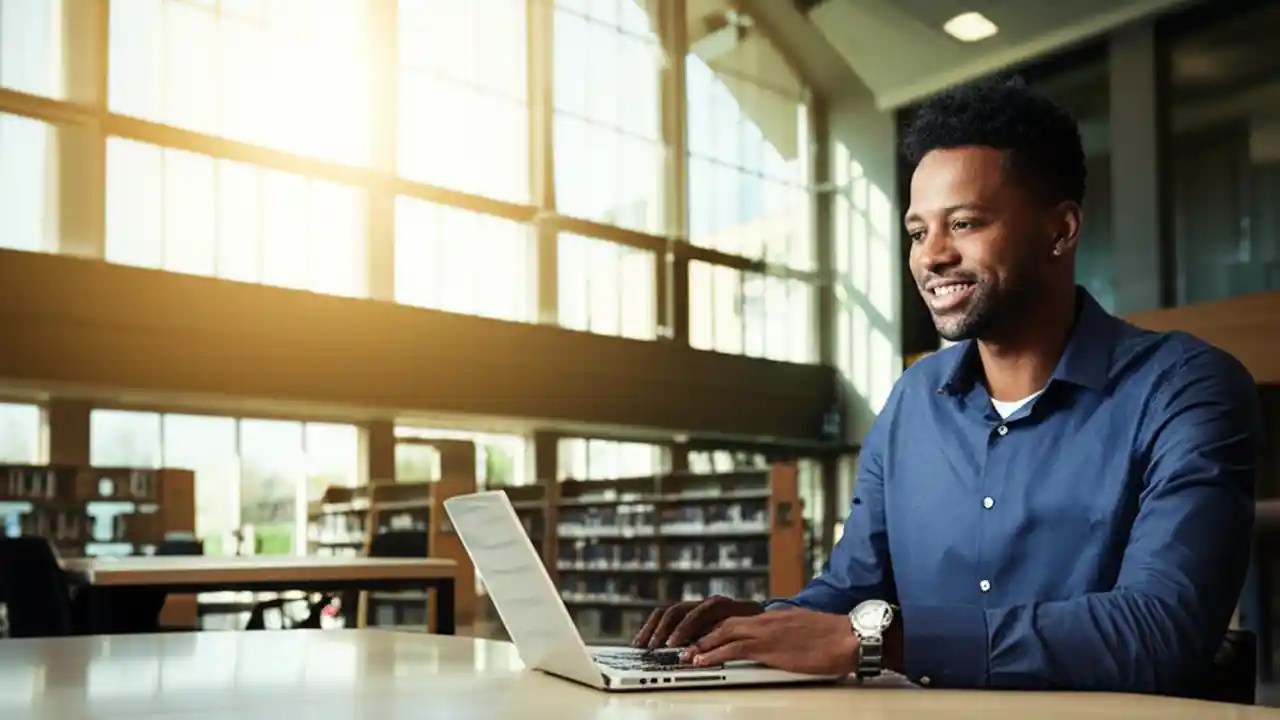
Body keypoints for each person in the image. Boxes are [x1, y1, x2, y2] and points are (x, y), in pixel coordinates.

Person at [632, 77, 1261, 694]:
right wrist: (754, 628)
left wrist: (880, 641)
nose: (931, 256)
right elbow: (852, 594)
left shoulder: (1186, 388)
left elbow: (1163, 628)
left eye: (963, 223)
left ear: (1060, 230)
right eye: (917, 231)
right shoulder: (913, 401)